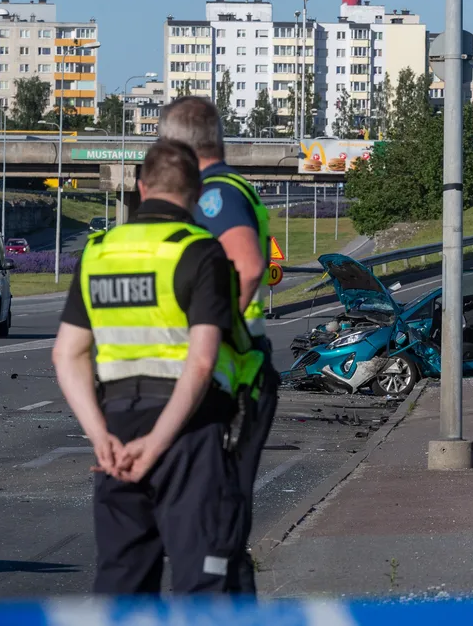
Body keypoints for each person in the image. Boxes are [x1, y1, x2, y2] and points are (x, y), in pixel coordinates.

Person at [52, 139, 262, 594]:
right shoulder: (200, 251)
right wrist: (158, 443)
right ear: (194, 192)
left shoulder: (98, 252)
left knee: (121, 583)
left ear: (141, 187)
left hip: (118, 432)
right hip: (188, 433)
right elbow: (202, 362)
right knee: (203, 583)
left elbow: (67, 354)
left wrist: (101, 439)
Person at [158, 96, 277, 594]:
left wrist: (213, 336)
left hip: (235, 374)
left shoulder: (215, 195)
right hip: (234, 370)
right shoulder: (222, 189)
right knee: (219, 521)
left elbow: (248, 267)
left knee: (218, 520)